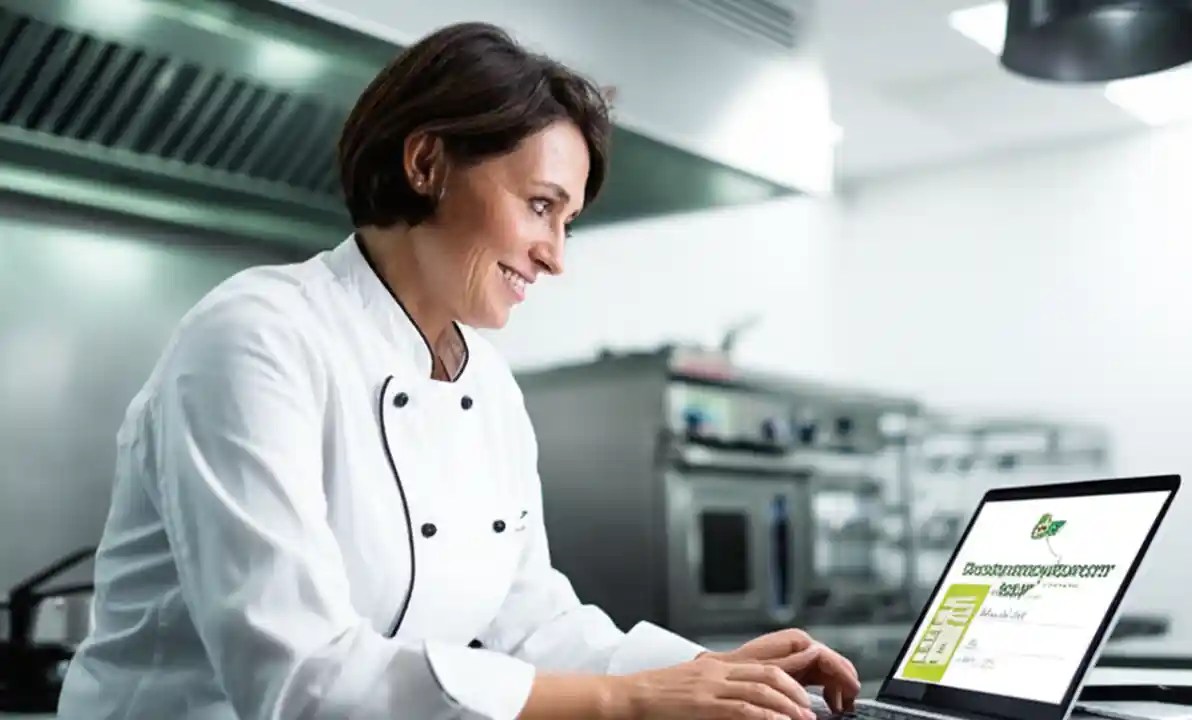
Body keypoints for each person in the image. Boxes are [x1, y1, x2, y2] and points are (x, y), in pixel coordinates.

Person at [56, 21, 860, 720]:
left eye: (569, 223)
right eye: (542, 206)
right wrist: (631, 701)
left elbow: (529, 618)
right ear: (427, 163)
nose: (555, 257)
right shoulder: (258, 338)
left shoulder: (489, 386)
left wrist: (708, 675)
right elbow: (298, 679)